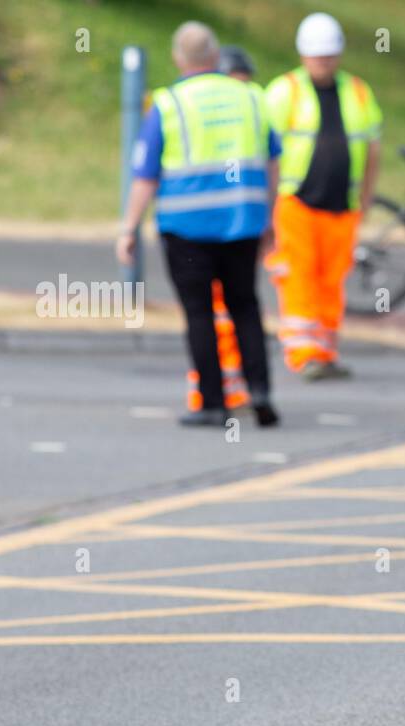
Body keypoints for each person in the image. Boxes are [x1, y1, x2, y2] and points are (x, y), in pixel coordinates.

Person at [117, 21, 280, 428]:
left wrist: (128, 228)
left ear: (178, 58)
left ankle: (212, 402)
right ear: (215, 56)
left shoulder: (168, 104)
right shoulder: (252, 98)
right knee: (245, 306)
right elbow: (273, 161)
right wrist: (268, 217)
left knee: (199, 313)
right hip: (242, 222)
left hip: (186, 228)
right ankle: (259, 392)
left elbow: (145, 175)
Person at [264, 12, 382, 381]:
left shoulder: (358, 91)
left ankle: (325, 349)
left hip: (342, 207)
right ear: (303, 55)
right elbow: (265, 152)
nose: (323, 62)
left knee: (332, 280)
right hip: (296, 202)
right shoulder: (284, 90)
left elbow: (373, 148)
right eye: (317, 56)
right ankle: (303, 352)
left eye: (329, 56)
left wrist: (365, 197)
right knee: (299, 276)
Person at [184, 44, 264, 417]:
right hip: (238, 224)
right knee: (238, 309)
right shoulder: (248, 105)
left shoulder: (198, 104)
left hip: (208, 225)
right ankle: (246, 392)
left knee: (215, 311)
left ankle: (221, 397)